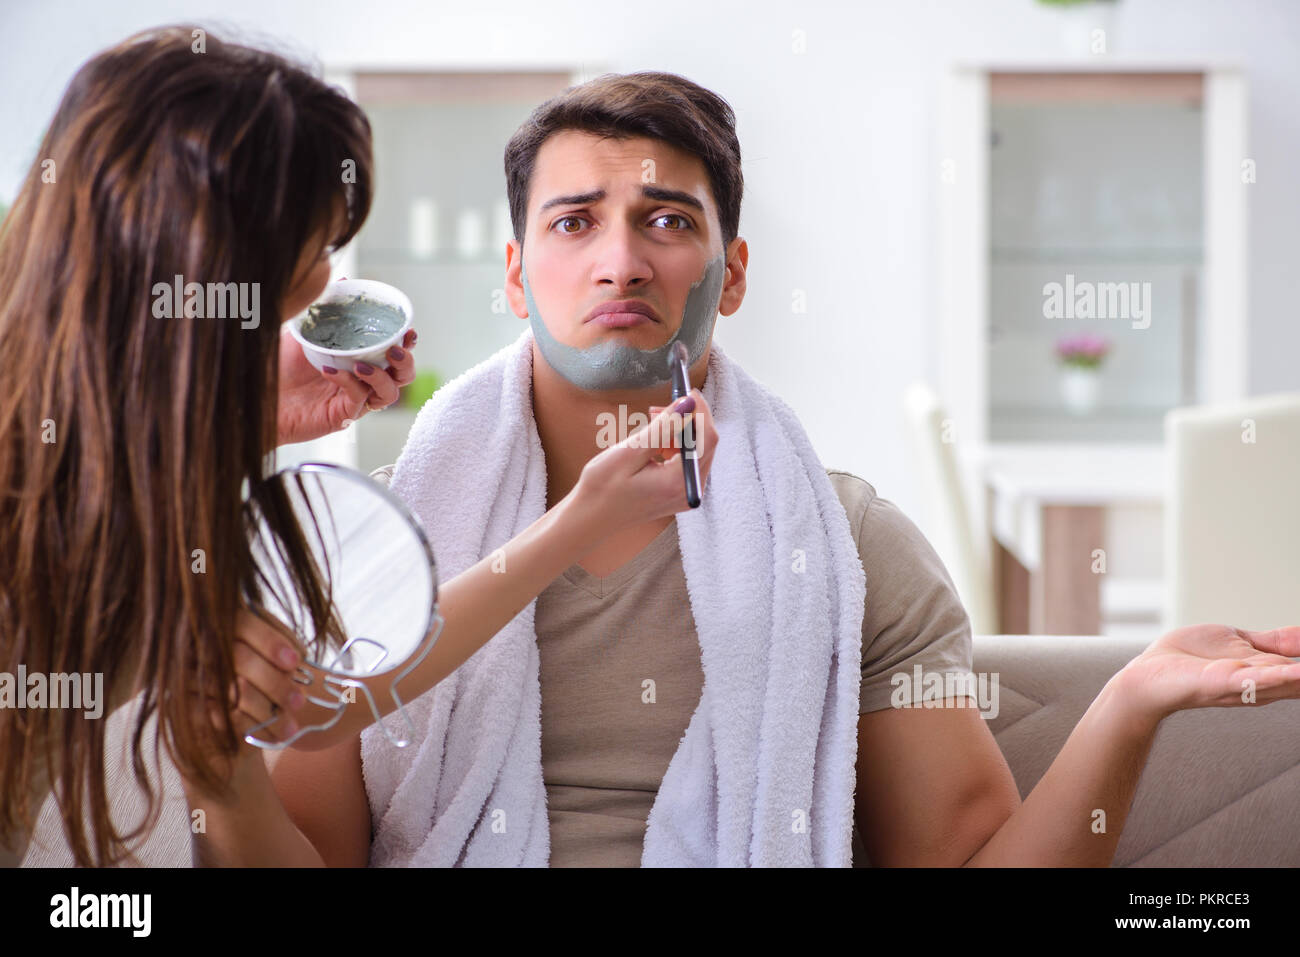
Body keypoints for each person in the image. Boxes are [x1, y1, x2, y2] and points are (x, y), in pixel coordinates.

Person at [222, 70, 1300, 868]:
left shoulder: (848, 545)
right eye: (574, 222)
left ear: (731, 277)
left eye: (666, 222)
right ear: (513, 275)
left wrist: (1128, 704)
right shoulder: (369, 551)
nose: (621, 259)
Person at [0, 28, 715, 869]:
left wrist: (258, 406)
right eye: (285, 304)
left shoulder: (162, 521)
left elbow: (343, 698)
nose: (621, 266)